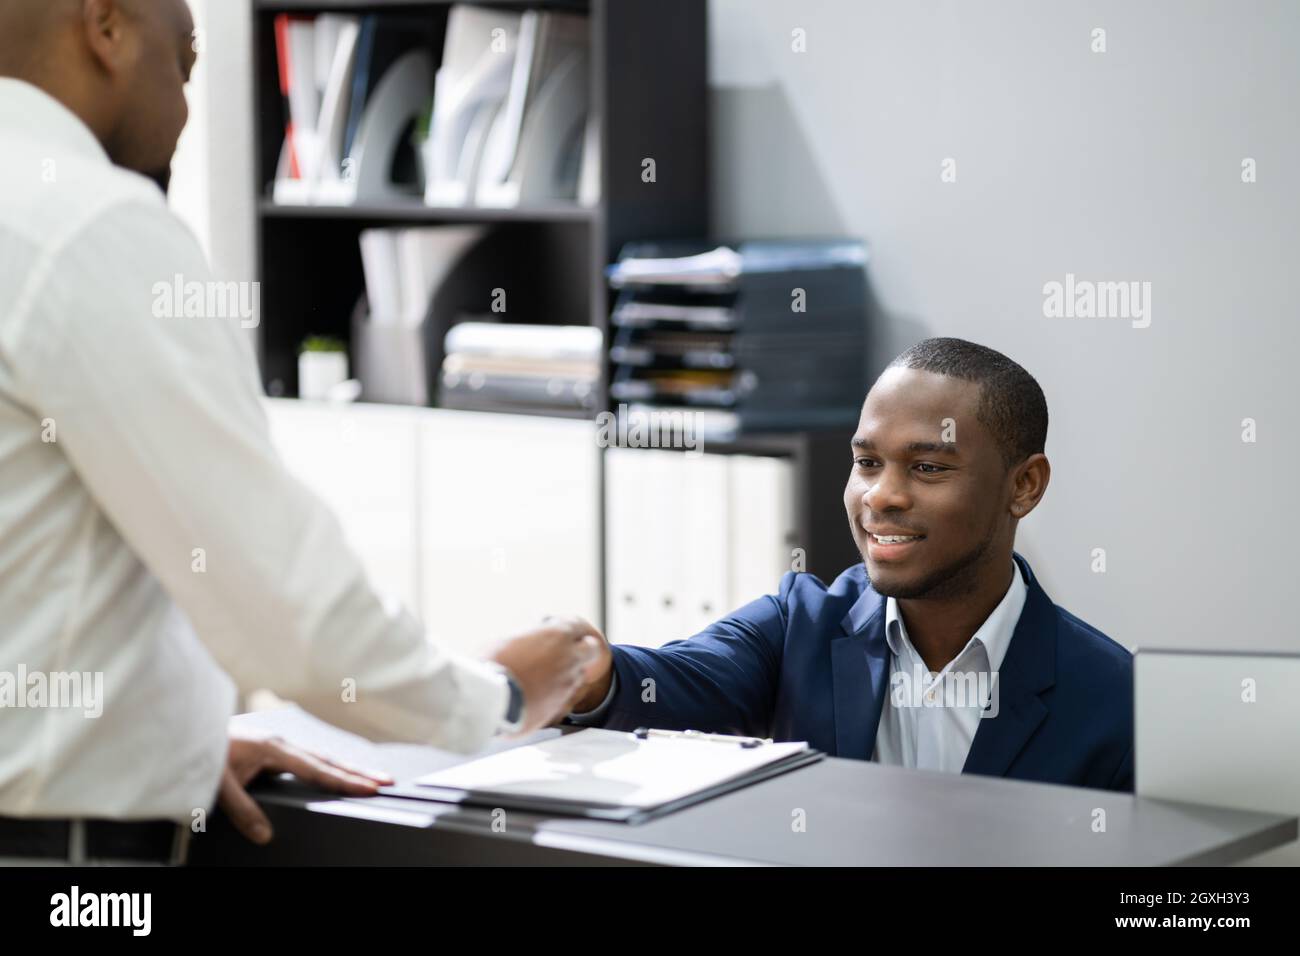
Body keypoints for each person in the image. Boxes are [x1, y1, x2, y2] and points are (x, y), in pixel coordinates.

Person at [0, 0, 600, 863]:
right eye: (187, 57)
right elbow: (284, 605)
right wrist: (500, 697)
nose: (188, 97)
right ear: (105, 28)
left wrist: (170, 747)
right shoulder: (93, 225)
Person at [567, 338, 1134, 792]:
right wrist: (589, 671)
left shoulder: (1115, 698)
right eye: (866, 461)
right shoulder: (800, 627)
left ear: (1024, 485)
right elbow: (668, 684)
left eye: (929, 468)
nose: (880, 496)